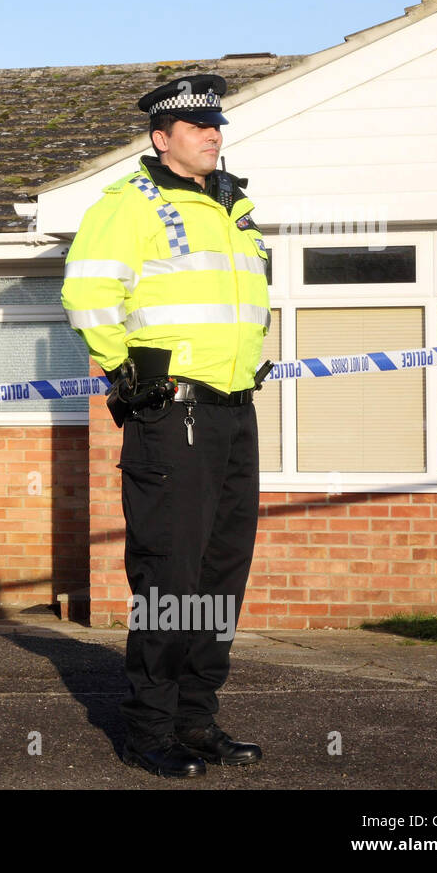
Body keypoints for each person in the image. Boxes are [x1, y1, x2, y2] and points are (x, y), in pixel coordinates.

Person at [60, 73, 271, 778]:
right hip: (171, 415)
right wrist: (130, 376)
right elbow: (89, 290)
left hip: (235, 413)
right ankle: (148, 730)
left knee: (220, 579)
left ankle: (197, 721)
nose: (214, 133)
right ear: (163, 137)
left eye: (218, 124)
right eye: (199, 125)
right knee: (171, 580)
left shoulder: (233, 205)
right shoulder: (130, 204)